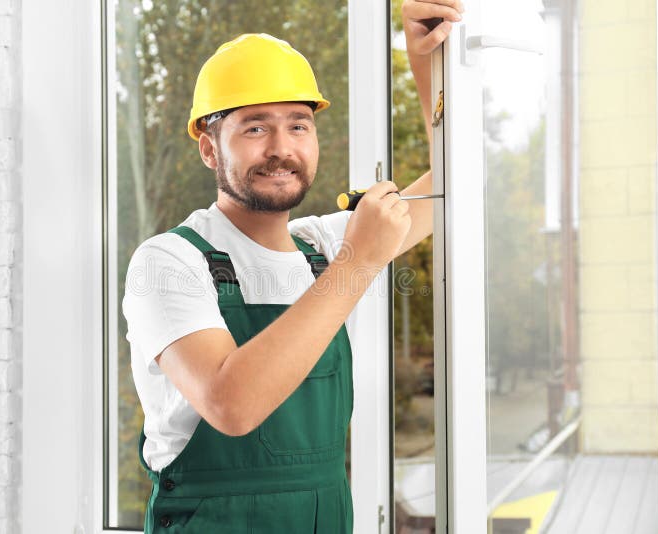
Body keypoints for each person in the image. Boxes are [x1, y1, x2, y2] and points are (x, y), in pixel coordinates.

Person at [122, 2, 463, 532]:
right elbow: (231, 405)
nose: (281, 149)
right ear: (210, 150)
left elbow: (453, 183)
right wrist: (358, 262)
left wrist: (425, 63)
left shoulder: (323, 247)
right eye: (255, 128)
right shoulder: (169, 260)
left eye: (298, 125)